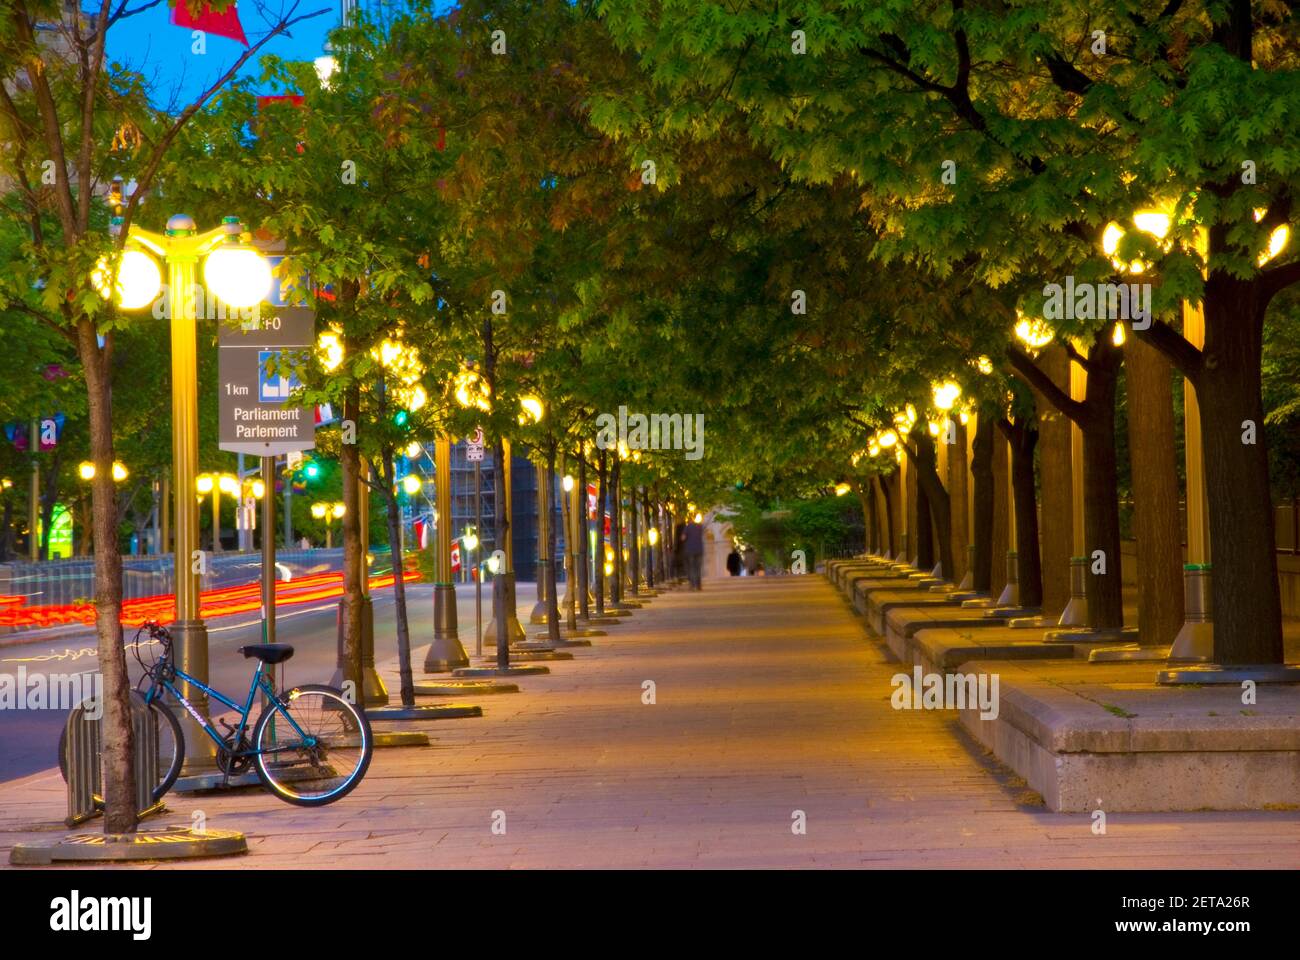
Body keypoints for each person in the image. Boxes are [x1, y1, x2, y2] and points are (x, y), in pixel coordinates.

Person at [682, 517, 705, 589]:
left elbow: (683, 537)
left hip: (690, 550)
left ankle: (692, 585)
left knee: (692, 568)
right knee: (698, 568)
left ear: (688, 521)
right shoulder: (699, 526)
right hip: (699, 549)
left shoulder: (687, 527)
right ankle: (698, 585)